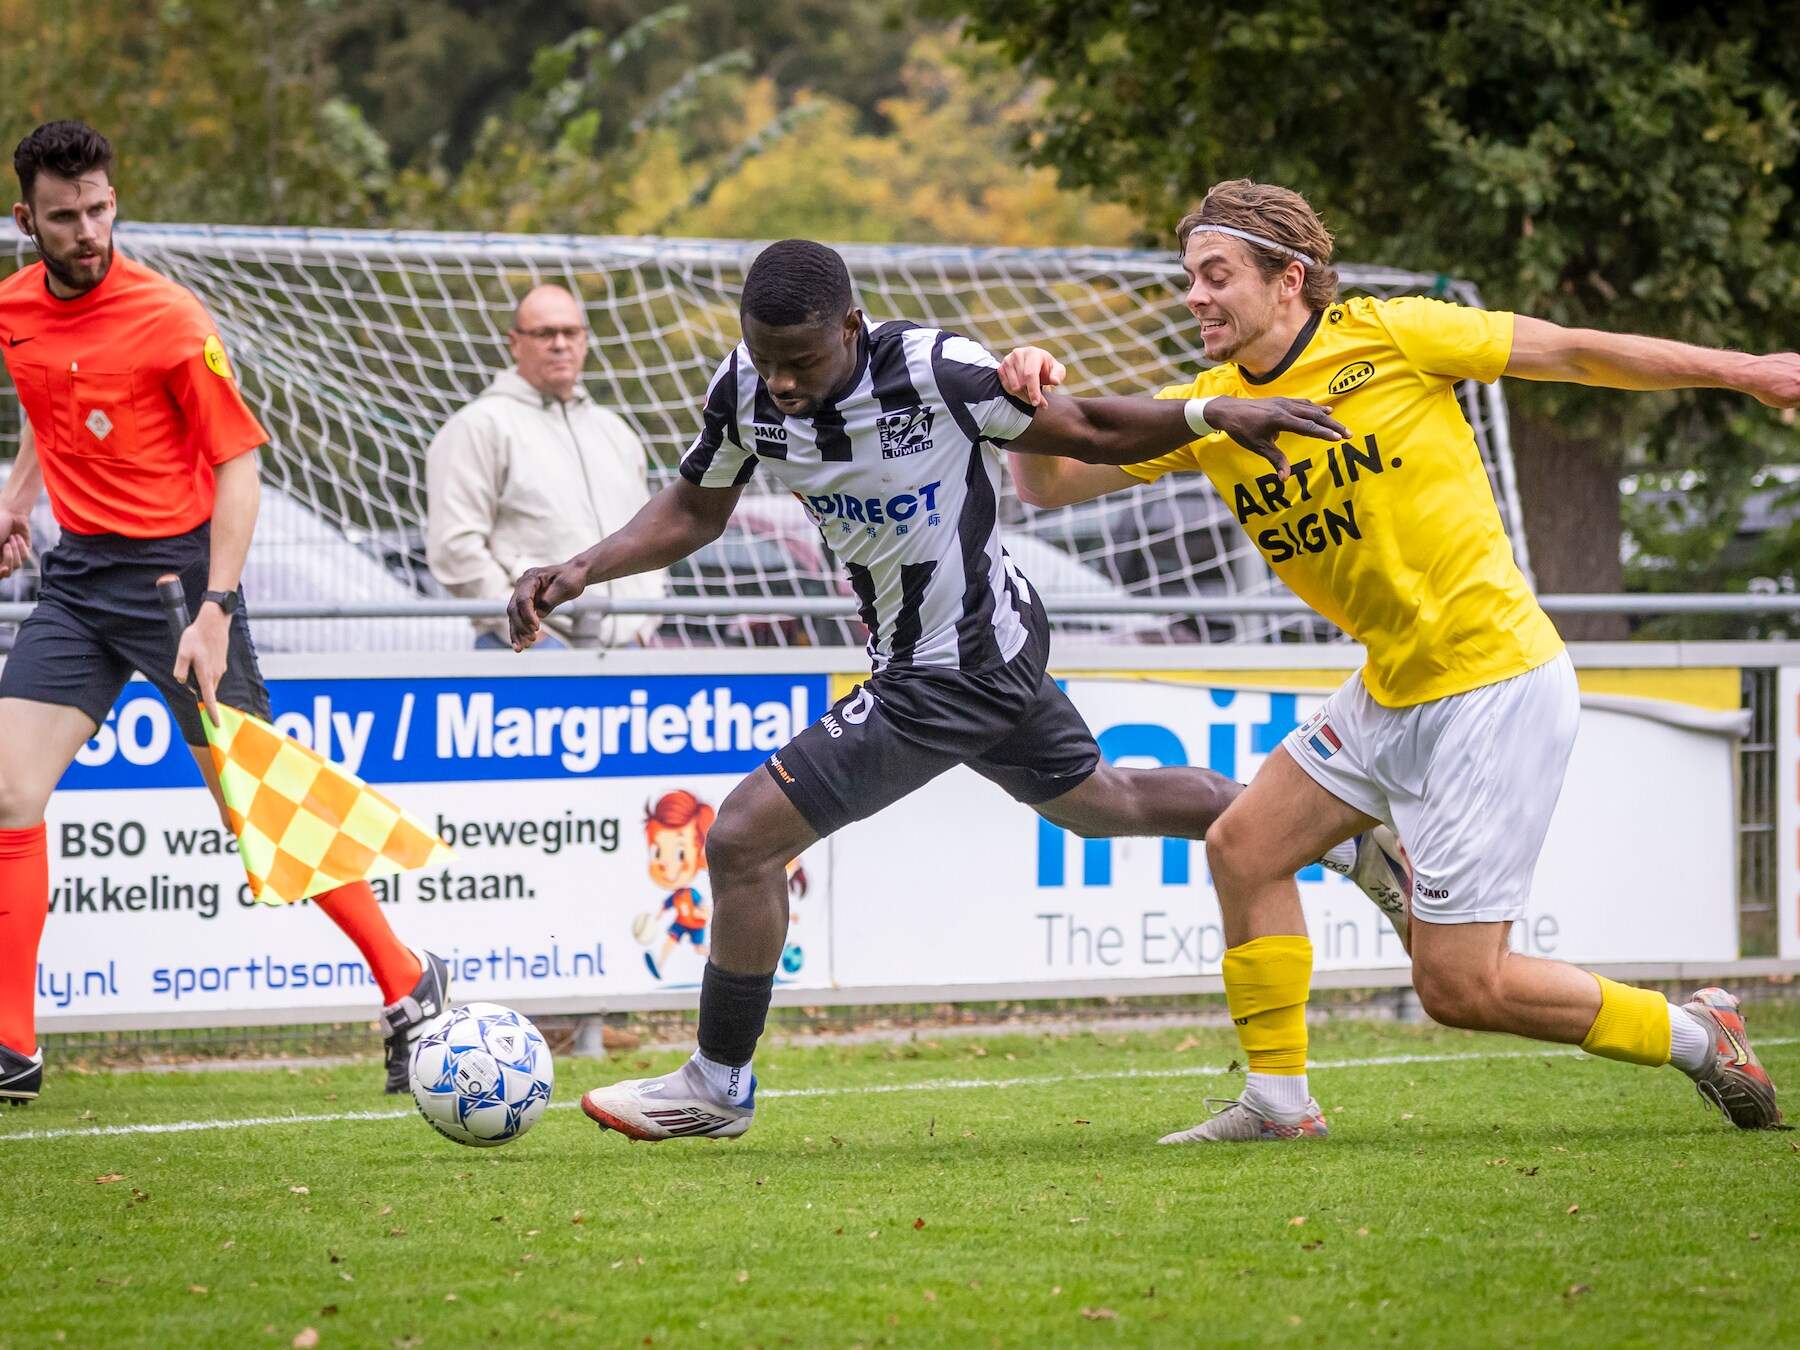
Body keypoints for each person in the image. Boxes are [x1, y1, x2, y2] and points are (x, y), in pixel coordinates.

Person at [507, 238, 1410, 1142]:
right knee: (1104, 802)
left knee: (743, 837)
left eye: (802, 362)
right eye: (767, 359)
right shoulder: (745, 386)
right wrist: (583, 567)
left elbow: (1086, 427)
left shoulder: (939, 371)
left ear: (851, 328)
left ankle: (717, 1083)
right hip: (971, 651)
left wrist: (1211, 416)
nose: (781, 383)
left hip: (952, 666)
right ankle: (1333, 839)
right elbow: (696, 509)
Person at [999, 179, 1797, 1142]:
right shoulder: (1210, 413)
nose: (1195, 297)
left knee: (1461, 988)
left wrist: (1747, 369)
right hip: (1392, 685)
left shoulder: (1395, 334)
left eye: (1216, 276)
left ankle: (1698, 1034)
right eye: (1188, 280)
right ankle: (1279, 1106)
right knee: (1243, 847)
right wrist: (1031, 398)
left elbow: (1577, 350)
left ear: (1289, 279)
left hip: (1493, 682)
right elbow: (1048, 486)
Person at [0, 121, 447, 1103]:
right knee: (8, 796)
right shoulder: (15, 309)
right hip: (79, 587)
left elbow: (240, 467)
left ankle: (410, 983)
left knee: (260, 812)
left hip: (177, 587)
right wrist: (19, 498)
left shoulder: (166, 316)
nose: (89, 232)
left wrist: (217, 607)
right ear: (27, 218)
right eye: (66, 217)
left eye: (102, 209)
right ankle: (12, 1046)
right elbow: (48, 398)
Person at [426, 284, 665, 648]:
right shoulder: (478, 427)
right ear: (515, 342)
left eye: (570, 332)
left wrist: (643, 626)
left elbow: (648, 535)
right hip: (526, 652)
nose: (559, 343)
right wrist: (531, 631)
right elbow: (454, 549)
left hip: (626, 651)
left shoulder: (618, 434)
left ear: (584, 340)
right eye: (544, 333)